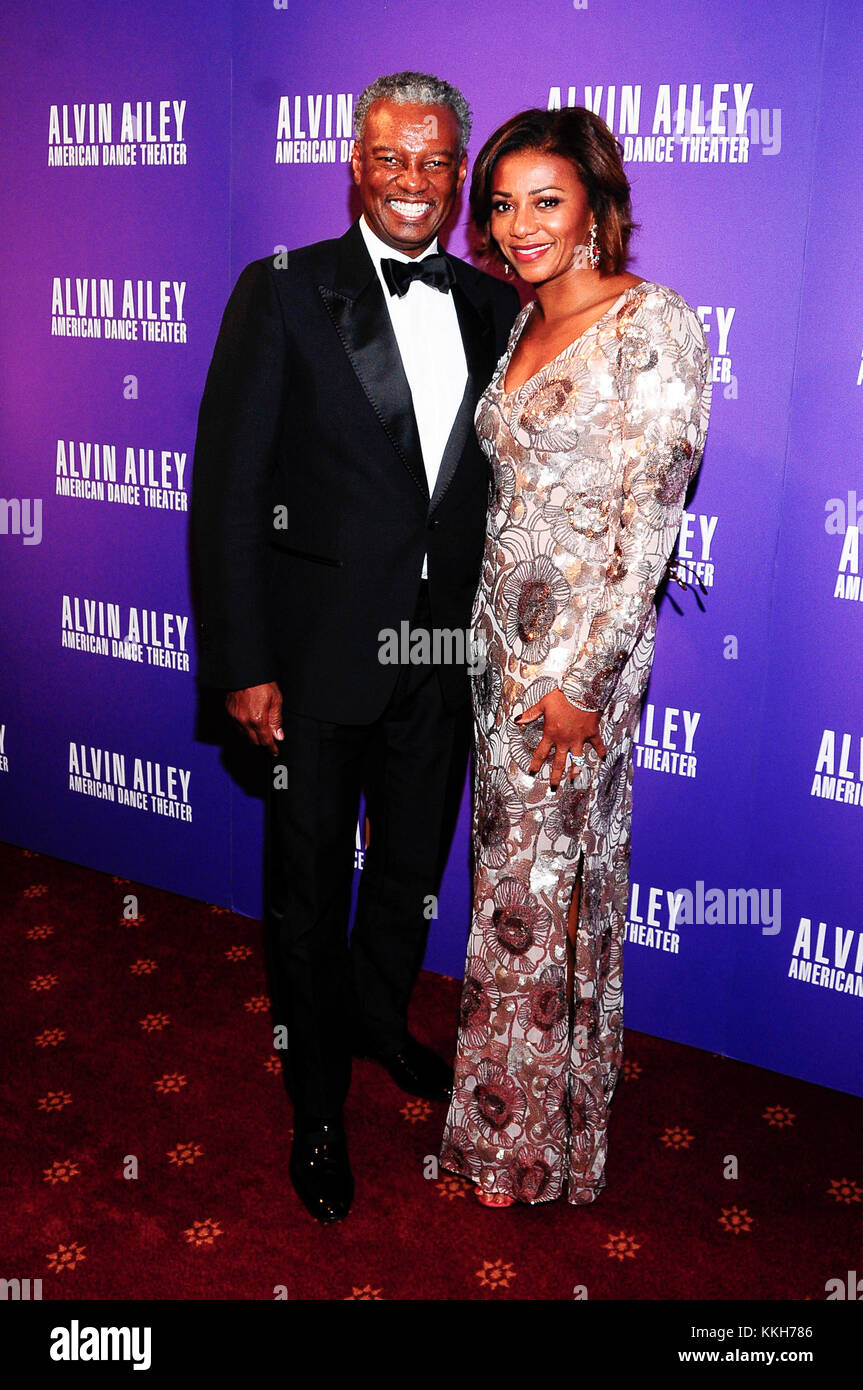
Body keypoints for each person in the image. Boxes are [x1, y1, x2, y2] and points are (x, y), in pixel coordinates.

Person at [190, 72, 519, 1224]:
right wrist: (238, 658)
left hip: (439, 657)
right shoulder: (281, 292)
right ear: (354, 161)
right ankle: (315, 1101)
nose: (414, 182)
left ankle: (381, 1022)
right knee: (305, 886)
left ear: (460, 170)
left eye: (436, 162)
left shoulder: (493, 307)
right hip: (314, 660)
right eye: (391, 158)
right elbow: (228, 489)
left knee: (410, 870)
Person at [439, 106, 712, 1207]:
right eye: (501, 204)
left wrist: (580, 686)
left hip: (569, 675)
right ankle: (543, 1123)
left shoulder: (653, 323)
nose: (519, 223)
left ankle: (517, 1150)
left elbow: (646, 523)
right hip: (494, 648)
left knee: (534, 897)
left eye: (545, 199)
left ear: (597, 206)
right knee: (522, 894)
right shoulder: (524, 323)